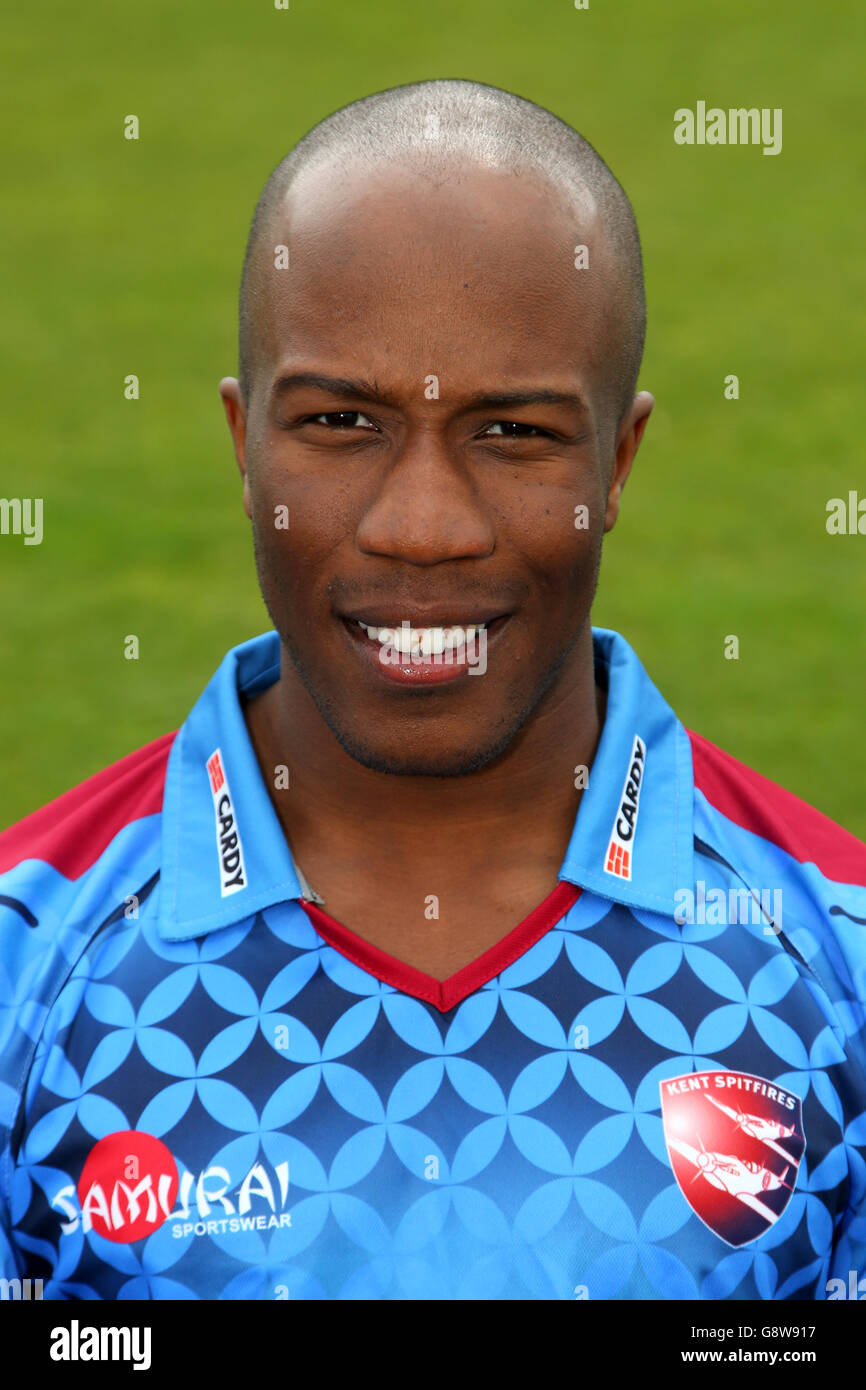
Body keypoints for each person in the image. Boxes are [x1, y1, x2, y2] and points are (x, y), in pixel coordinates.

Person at [1, 79, 863, 1302]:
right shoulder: (23, 965)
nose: (422, 527)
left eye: (511, 433)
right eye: (340, 420)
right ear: (243, 449)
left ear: (615, 462)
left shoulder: (834, 955)